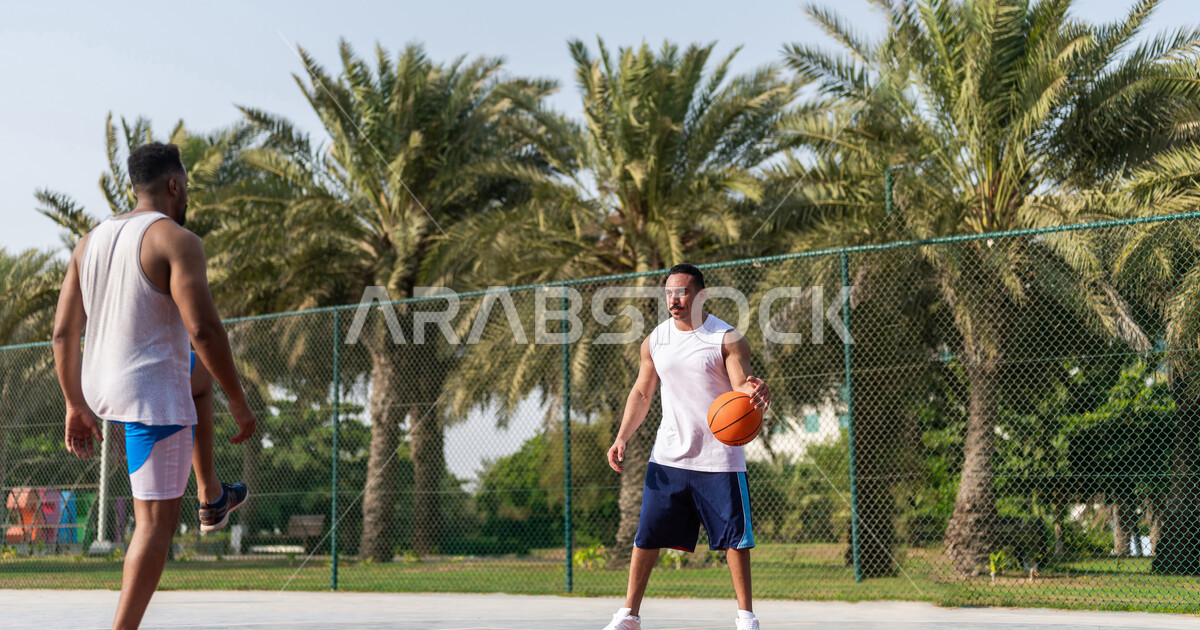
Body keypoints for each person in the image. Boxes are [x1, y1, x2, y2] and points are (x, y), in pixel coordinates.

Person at [51, 142, 256, 630]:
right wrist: (239, 400)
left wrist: (73, 403)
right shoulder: (177, 241)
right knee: (154, 527)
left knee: (198, 377)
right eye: (186, 188)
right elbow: (204, 331)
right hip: (151, 398)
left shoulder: (90, 241)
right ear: (174, 185)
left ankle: (211, 497)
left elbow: (63, 331)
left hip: (102, 386)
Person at [602, 263, 770, 630]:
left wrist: (756, 392)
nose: (674, 300)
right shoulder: (656, 340)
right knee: (646, 536)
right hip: (669, 456)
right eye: (668, 293)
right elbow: (643, 392)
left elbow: (741, 386)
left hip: (719, 458)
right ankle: (629, 615)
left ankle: (746, 618)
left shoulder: (726, 338)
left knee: (735, 541)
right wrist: (622, 436)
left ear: (701, 296)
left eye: (682, 292)